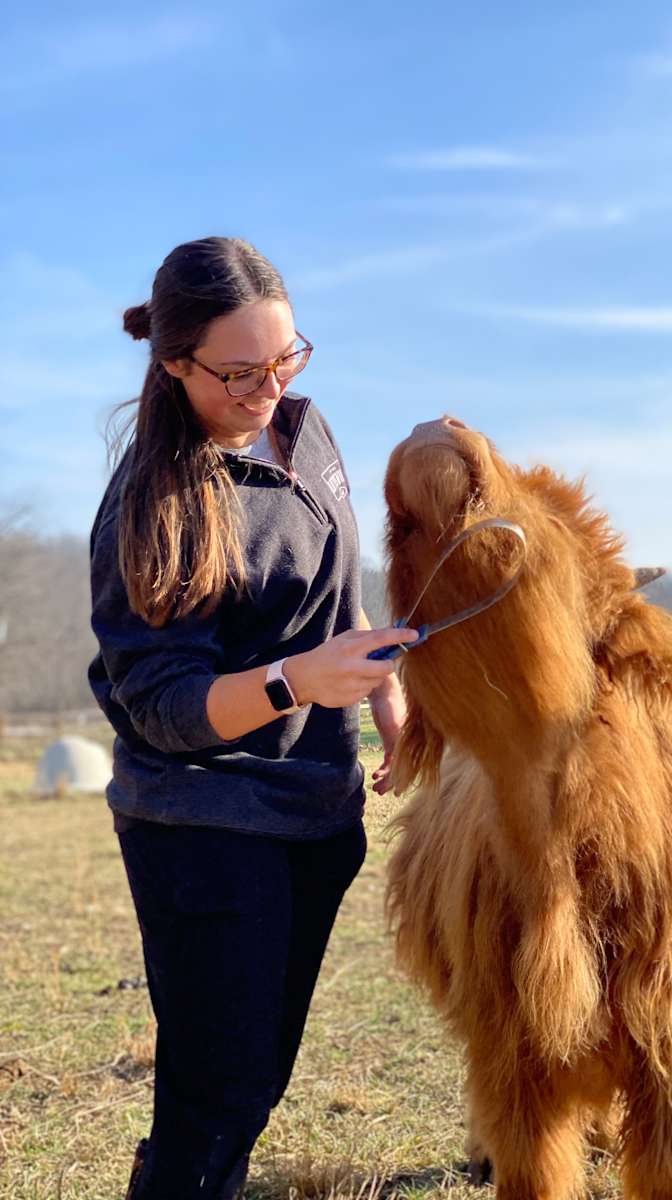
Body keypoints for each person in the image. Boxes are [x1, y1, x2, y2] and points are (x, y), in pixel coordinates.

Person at [88, 236, 418, 1200]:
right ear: (174, 364)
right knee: (215, 1095)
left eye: (285, 359)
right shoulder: (155, 507)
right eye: (236, 373)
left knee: (255, 1078)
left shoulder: (306, 435)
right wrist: (298, 681)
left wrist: (389, 702)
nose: (266, 387)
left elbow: (337, 598)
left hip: (318, 809)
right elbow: (165, 708)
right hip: (205, 828)